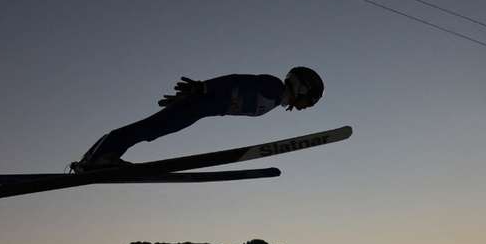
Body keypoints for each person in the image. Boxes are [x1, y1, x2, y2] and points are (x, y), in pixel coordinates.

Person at [72, 67, 325, 172]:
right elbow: (236, 81)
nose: (307, 107)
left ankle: (96, 157)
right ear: (302, 88)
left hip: (199, 109)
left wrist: (188, 97)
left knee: (151, 130)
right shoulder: (272, 87)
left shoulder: (274, 101)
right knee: (149, 129)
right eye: (310, 100)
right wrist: (203, 88)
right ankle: (99, 158)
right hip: (199, 104)